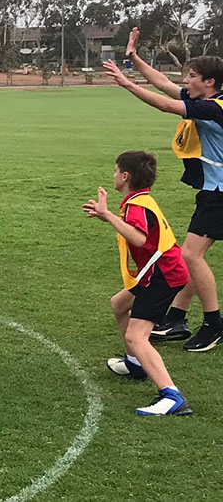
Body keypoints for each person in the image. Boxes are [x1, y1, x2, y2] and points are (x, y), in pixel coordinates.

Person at [104, 28, 223, 352]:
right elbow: (164, 84)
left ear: (210, 82)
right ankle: (177, 318)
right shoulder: (205, 100)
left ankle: (213, 325)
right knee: (191, 257)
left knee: (191, 256)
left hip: (220, 194)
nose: (186, 81)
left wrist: (127, 84)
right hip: (212, 191)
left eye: (192, 76)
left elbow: (166, 104)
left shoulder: (214, 108)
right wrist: (134, 59)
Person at [83, 150, 192, 415]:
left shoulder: (137, 206)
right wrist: (108, 216)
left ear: (125, 176)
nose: (113, 175)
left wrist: (108, 216)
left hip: (162, 275)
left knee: (136, 336)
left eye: (115, 170)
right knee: (119, 304)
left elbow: (140, 239)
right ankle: (135, 363)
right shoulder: (140, 200)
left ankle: (172, 396)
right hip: (157, 271)